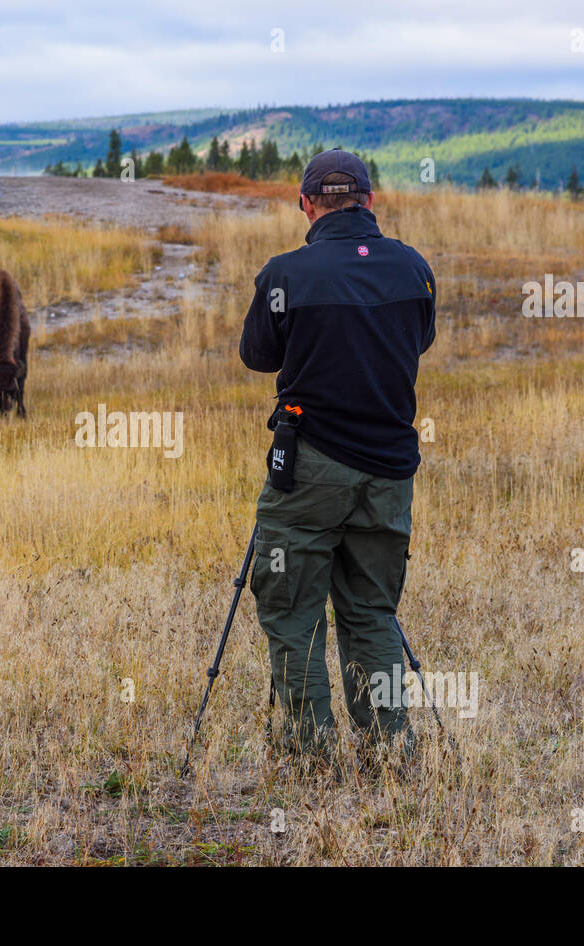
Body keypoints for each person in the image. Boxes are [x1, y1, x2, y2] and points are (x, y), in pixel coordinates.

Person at [239, 148, 436, 771]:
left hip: (309, 467)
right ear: (370, 202)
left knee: (293, 607)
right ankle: (389, 748)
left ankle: (311, 751)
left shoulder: (285, 275)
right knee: (372, 611)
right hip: (388, 471)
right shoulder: (414, 271)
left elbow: (257, 356)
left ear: (305, 206)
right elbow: (419, 340)